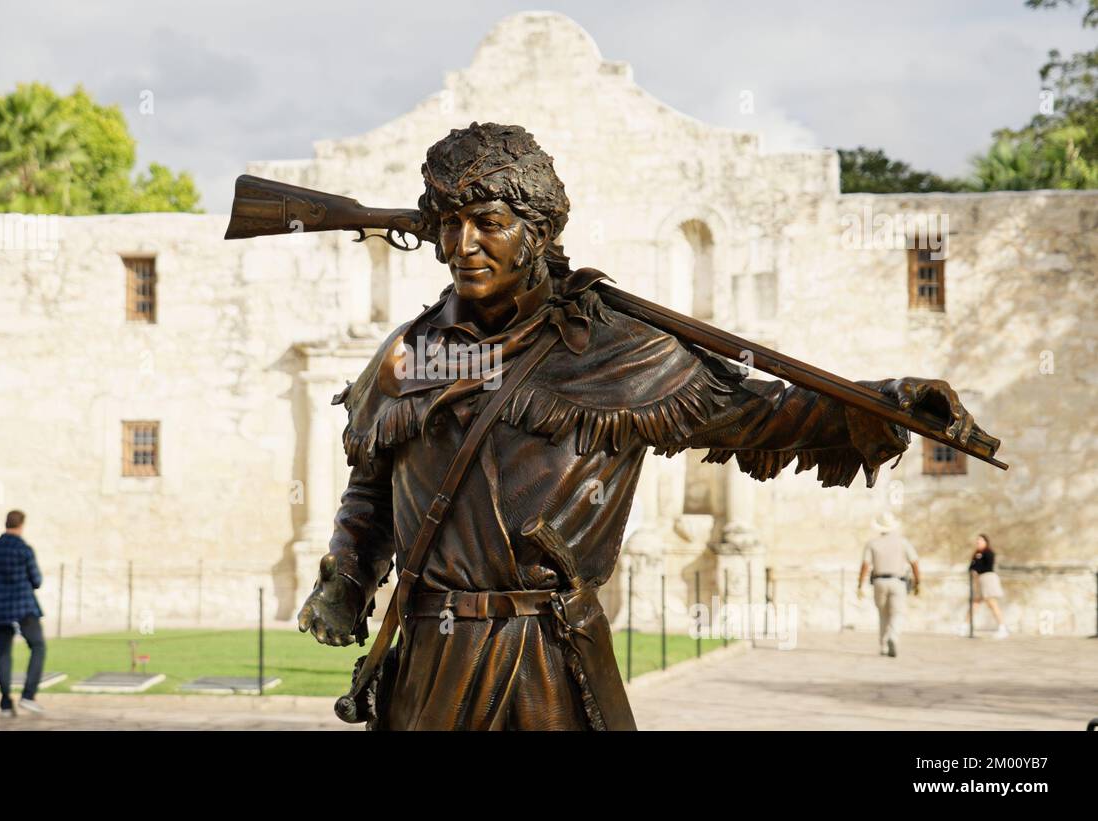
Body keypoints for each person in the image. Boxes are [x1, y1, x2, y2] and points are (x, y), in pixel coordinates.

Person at [296, 122, 981, 730]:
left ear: (537, 232)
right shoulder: (411, 354)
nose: (462, 244)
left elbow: (762, 413)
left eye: (488, 222)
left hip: (547, 657)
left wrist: (885, 401)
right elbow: (371, 484)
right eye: (449, 222)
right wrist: (345, 576)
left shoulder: (617, 350)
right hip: (429, 661)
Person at [0, 510, 47, 717]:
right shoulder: (24, 549)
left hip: (0, 609)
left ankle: (6, 703)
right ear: (21, 525)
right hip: (23, 608)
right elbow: (36, 580)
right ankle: (28, 695)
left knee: (3, 654)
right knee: (38, 647)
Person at [857, 511, 921, 658]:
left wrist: (860, 585)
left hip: (879, 581)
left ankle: (884, 645)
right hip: (897, 581)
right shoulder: (903, 542)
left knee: (883, 614)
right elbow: (914, 562)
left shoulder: (872, 544)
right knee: (897, 613)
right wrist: (918, 582)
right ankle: (893, 636)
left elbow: (865, 565)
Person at [967, 533, 1008, 639]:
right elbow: (971, 567)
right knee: (975, 603)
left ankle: (1002, 627)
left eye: (980, 540)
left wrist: (977, 566)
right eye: (977, 541)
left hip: (988, 578)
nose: (978, 542)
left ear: (985, 542)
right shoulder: (976, 554)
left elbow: (986, 567)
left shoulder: (988, 553)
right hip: (979, 580)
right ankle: (965, 626)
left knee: (992, 603)